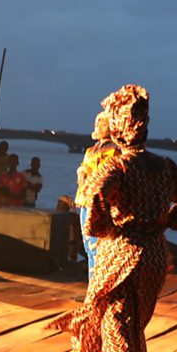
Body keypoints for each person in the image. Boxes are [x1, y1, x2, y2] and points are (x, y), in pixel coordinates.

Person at [48, 84, 177, 352]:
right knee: (135, 326)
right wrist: (168, 221)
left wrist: (105, 229)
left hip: (122, 251)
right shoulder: (164, 166)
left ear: (119, 129)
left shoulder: (118, 168)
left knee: (115, 325)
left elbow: (92, 199)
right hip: (154, 253)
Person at [75, 110, 119, 279]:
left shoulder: (114, 151)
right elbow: (84, 167)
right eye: (98, 122)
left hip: (99, 202)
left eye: (104, 123)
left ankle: (98, 286)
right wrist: (82, 173)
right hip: (85, 201)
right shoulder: (91, 150)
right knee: (87, 246)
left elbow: (106, 174)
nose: (100, 126)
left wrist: (88, 175)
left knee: (97, 246)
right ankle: (92, 285)